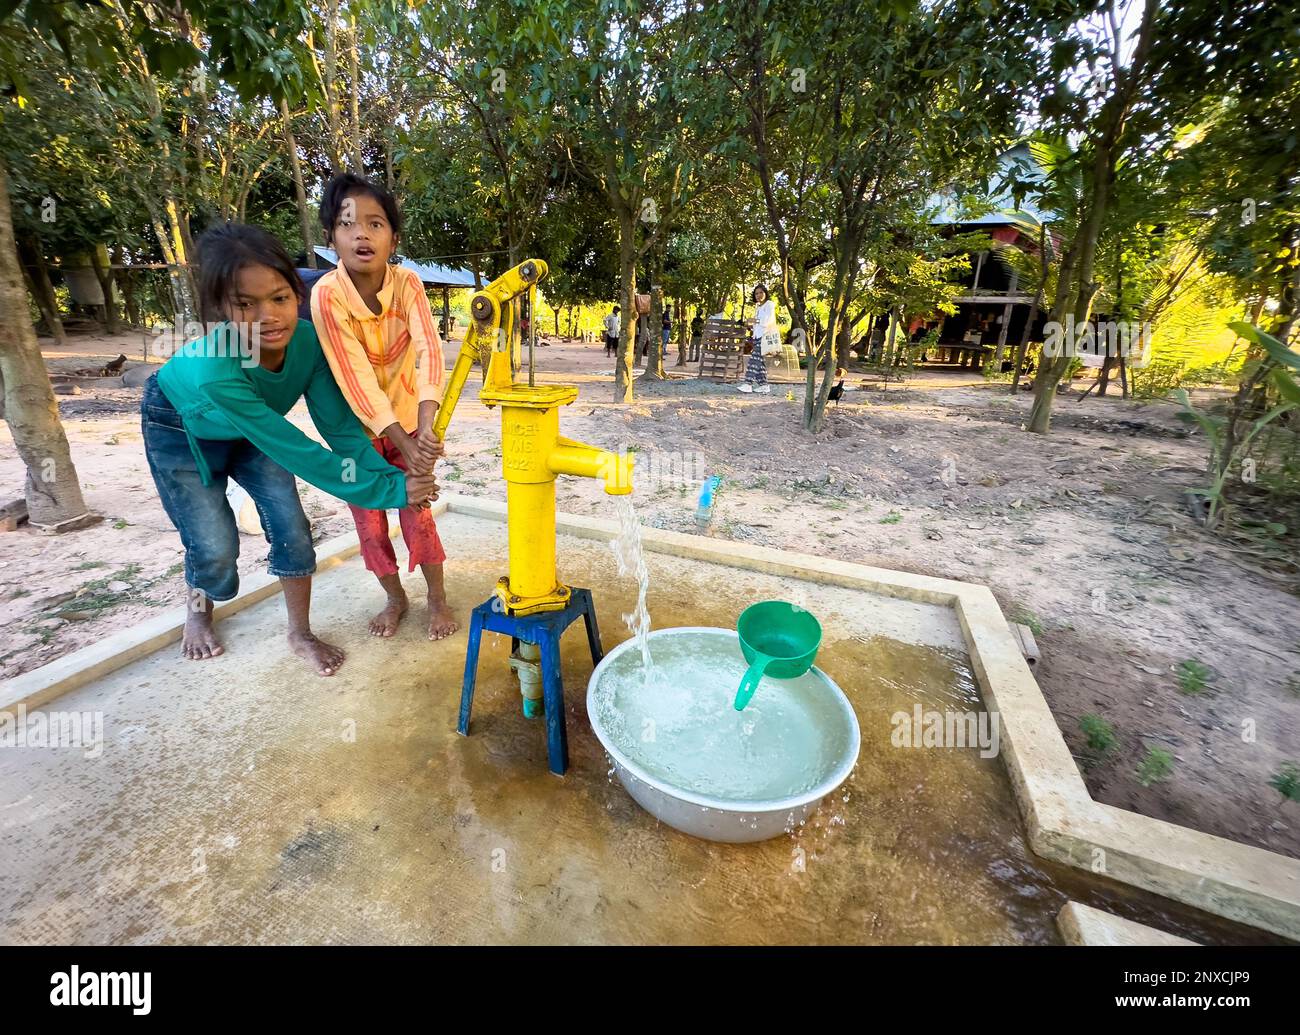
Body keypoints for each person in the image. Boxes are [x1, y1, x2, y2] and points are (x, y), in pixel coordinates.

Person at [142, 223, 437, 675]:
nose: (268, 316)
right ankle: (198, 609)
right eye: (245, 304)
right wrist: (395, 492)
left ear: (296, 296)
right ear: (221, 308)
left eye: (279, 298)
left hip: (252, 427)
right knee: (213, 541)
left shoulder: (308, 344)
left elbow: (340, 432)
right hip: (178, 426)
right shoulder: (216, 369)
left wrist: (397, 479)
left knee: (291, 525)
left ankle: (299, 632)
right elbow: (301, 452)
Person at [310, 173, 458, 642]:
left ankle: (436, 598)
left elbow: (428, 351)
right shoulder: (328, 295)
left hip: (412, 421)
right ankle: (395, 598)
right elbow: (355, 378)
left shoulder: (409, 283)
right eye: (347, 223)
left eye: (375, 224)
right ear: (331, 237)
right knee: (370, 524)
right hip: (358, 431)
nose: (361, 234)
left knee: (418, 511)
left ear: (393, 237)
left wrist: (426, 431)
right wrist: (404, 445)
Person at [740, 283, 777, 394]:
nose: (759, 295)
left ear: (765, 293)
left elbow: (768, 321)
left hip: (765, 337)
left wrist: (754, 320)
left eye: (761, 292)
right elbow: (758, 324)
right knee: (759, 362)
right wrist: (750, 325)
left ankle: (748, 383)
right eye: (756, 293)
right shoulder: (758, 306)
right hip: (757, 337)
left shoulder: (769, 304)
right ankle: (764, 385)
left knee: (754, 360)